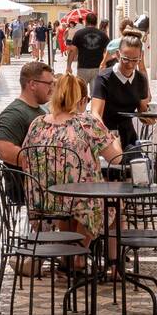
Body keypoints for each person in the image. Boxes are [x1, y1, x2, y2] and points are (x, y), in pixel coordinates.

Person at [22, 73, 121, 241]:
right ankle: (86, 257)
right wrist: (116, 139)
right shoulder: (87, 123)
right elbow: (116, 158)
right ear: (79, 98)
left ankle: (69, 255)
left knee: (69, 205)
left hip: (42, 199)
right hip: (79, 201)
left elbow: (25, 159)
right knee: (114, 205)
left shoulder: (37, 123)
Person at [90, 35, 151, 152]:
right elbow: (95, 113)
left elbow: (142, 112)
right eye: (126, 59)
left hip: (128, 136)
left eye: (135, 60)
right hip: (107, 136)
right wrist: (106, 137)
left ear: (140, 57)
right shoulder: (104, 78)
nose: (130, 64)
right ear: (118, 55)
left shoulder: (141, 79)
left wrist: (149, 118)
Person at [0, 61, 55, 167]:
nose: (52, 88)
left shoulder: (42, 110)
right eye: (49, 84)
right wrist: (44, 163)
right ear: (32, 85)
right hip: (24, 182)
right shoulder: (13, 114)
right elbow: (4, 151)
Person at [70, 13, 110, 88]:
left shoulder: (79, 33)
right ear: (96, 22)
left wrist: (68, 66)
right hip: (97, 68)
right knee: (95, 95)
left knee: (81, 94)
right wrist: (104, 63)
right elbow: (109, 50)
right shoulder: (102, 34)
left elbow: (72, 50)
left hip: (82, 68)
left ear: (86, 21)